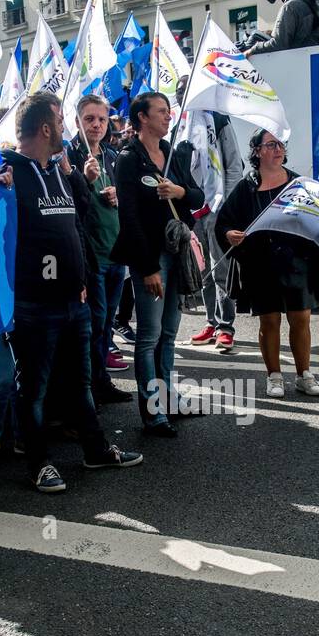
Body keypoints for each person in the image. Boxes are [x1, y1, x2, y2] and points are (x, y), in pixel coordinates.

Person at [0, 92, 143, 493]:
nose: (67, 128)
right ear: (45, 128)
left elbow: (78, 218)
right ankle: (39, 462)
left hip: (72, 299)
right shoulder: (7, 170)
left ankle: (95, 450)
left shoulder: (59, 169)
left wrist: (81, 278)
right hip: (33, 305)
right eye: (61, 121)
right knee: (35, 388)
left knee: (81, 383)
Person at [216, 129, 319, 398]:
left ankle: (304, 375)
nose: (278, 149)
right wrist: (229, 234)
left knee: (300, 319)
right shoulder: (246, 187)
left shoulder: (299, 184)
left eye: (281, 144)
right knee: (269, 321)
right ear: (257, 151)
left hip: (297, 261)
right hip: (261, 264)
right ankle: (274, 376)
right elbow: (225, 223)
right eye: (271, 144)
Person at [110, 92, 205, 437]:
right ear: (142, 118)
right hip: (150, 257)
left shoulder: (172, 154)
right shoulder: (128, 159)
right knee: (148, 337)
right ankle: (152, 413)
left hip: (175, 255)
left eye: (168, 111)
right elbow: (129, 218)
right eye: (161, 111)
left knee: (168, 333)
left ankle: (170, 400)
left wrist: (179, 192)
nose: (168, 116)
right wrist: (148, 267)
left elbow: (197, 197)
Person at [70, 95, 135, 384]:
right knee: (94, 324)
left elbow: (127, 200)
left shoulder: (112, 155)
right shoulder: (68, 157)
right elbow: (68, 207)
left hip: (116, 252)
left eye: (101, 119)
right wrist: (84, 180)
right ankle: (92, 386)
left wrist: (118, 197)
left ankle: (101, 381)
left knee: (108, 323)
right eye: (90, 119)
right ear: (77, 122)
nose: (96, 125)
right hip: (91, 256)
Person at [176, 81, 243, 355]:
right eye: (182, 94)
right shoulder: (177, 123)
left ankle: (226, 327)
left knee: (221, 267)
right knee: (202, 268)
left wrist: (225, 205)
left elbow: (233, 164)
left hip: (217, 206)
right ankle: (210, 321)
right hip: (192, 209)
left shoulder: (218, 120)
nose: (185, 97)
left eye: (189, 92)